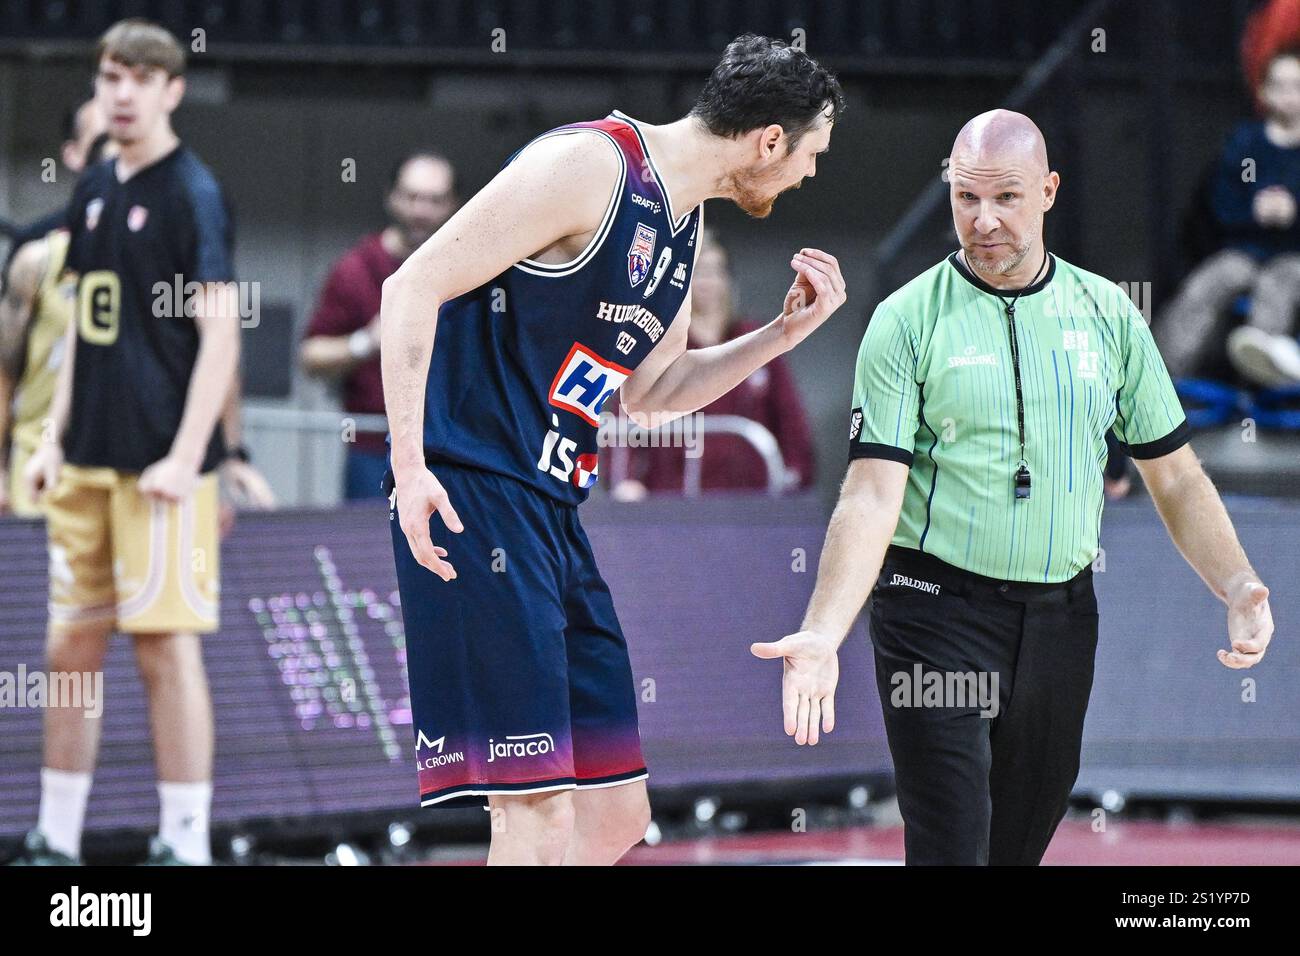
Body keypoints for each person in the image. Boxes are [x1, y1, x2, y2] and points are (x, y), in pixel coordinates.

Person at [753, 110, 1274, 866]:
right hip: (933, 615)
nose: (984, 219)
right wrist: (825, 629)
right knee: (954, 843)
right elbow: (870, 492)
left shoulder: (1108, 315)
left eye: (1006, 197)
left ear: (1049, 191)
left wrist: (1235, 582)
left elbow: (1177, 477)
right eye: (967, 198)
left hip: (1060, 619)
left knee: (1014, 849)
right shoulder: (906, 320)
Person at [382, 34, 846, 865]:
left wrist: (782, 334)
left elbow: (651, 393)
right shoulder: (591, 165)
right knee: (537, 810)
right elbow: (409, 286)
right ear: (769, 140)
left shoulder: (684, 221)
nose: (808, 174)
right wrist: (411, 469)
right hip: (477, 489)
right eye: (810, 154)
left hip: (554, 509)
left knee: (614, 814)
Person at [9, 19, 241, 866]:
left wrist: (187, 455)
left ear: (172, 90)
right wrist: (48, 440)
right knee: (69, 645)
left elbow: (221, 339)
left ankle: (184, 843)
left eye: (141, 78)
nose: (122, 92)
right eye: (110, 76)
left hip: (162, 471)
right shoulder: (95, 187)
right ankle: (56, 837)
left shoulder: (194, 193)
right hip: (85, 463)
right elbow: (81, 328)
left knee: (163, 649)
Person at [609, 228, 815, 497]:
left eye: (714, 271)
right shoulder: (657, 346)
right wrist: (625, 482)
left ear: (728, 279)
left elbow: (791, 422)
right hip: (672, 503)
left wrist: (791, 479)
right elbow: (625, 418)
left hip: (748, 504)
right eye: (698, 272)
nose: (707, 281)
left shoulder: (757, 339)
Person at [300, 152, 457, 499]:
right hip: (374, 448)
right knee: (369, 550)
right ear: (392, 196)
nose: (421, 210)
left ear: (453, 204)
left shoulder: (470, 268)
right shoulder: (356, 268)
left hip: (453, 448)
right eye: (412, 196)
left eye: (434, 200)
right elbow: (311, 356)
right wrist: (367, 342)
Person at [1156, 47, 1300, 386]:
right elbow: (1220, 203)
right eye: (1279, 85)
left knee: (1278, 285)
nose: (1288, 95)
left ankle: (1263, 382)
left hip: (1293, 258)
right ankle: (1156, 379)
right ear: (1263, 91)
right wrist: (1254, 210)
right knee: (1208, 284)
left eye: (1296, 85)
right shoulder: (1243, 143)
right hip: (1244, 253)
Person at [0, 101, 109, 517]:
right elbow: (6, 367)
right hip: (38, 460)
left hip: (119, 464)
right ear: (76, 155)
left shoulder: (164, 251)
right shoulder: (37, 252)